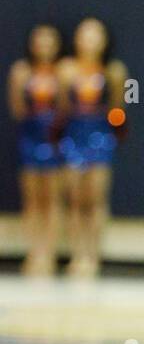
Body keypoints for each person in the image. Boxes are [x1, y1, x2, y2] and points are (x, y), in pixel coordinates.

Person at [58, 17, 127, 278]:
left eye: (96, 35)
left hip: (100, 135)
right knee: (75, 199)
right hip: (74, 135)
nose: (90, 41)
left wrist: (111, 132)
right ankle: (76, 253)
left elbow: (118, 107)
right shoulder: (66, 69)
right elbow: (62, 107)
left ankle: (93, 254)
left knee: (95, 199)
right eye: (85, 34)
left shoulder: (114, 70)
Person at [7, 24, 64, 276]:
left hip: (54, 138)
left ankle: (49, 252)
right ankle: (34, 250)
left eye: (49, 42)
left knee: (52, 199)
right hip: (31, 138)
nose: (44, 47)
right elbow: (17, 109)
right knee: (32, 200)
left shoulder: (63, 72)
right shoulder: (21, 71)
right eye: (39, 41)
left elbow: (66, 107)